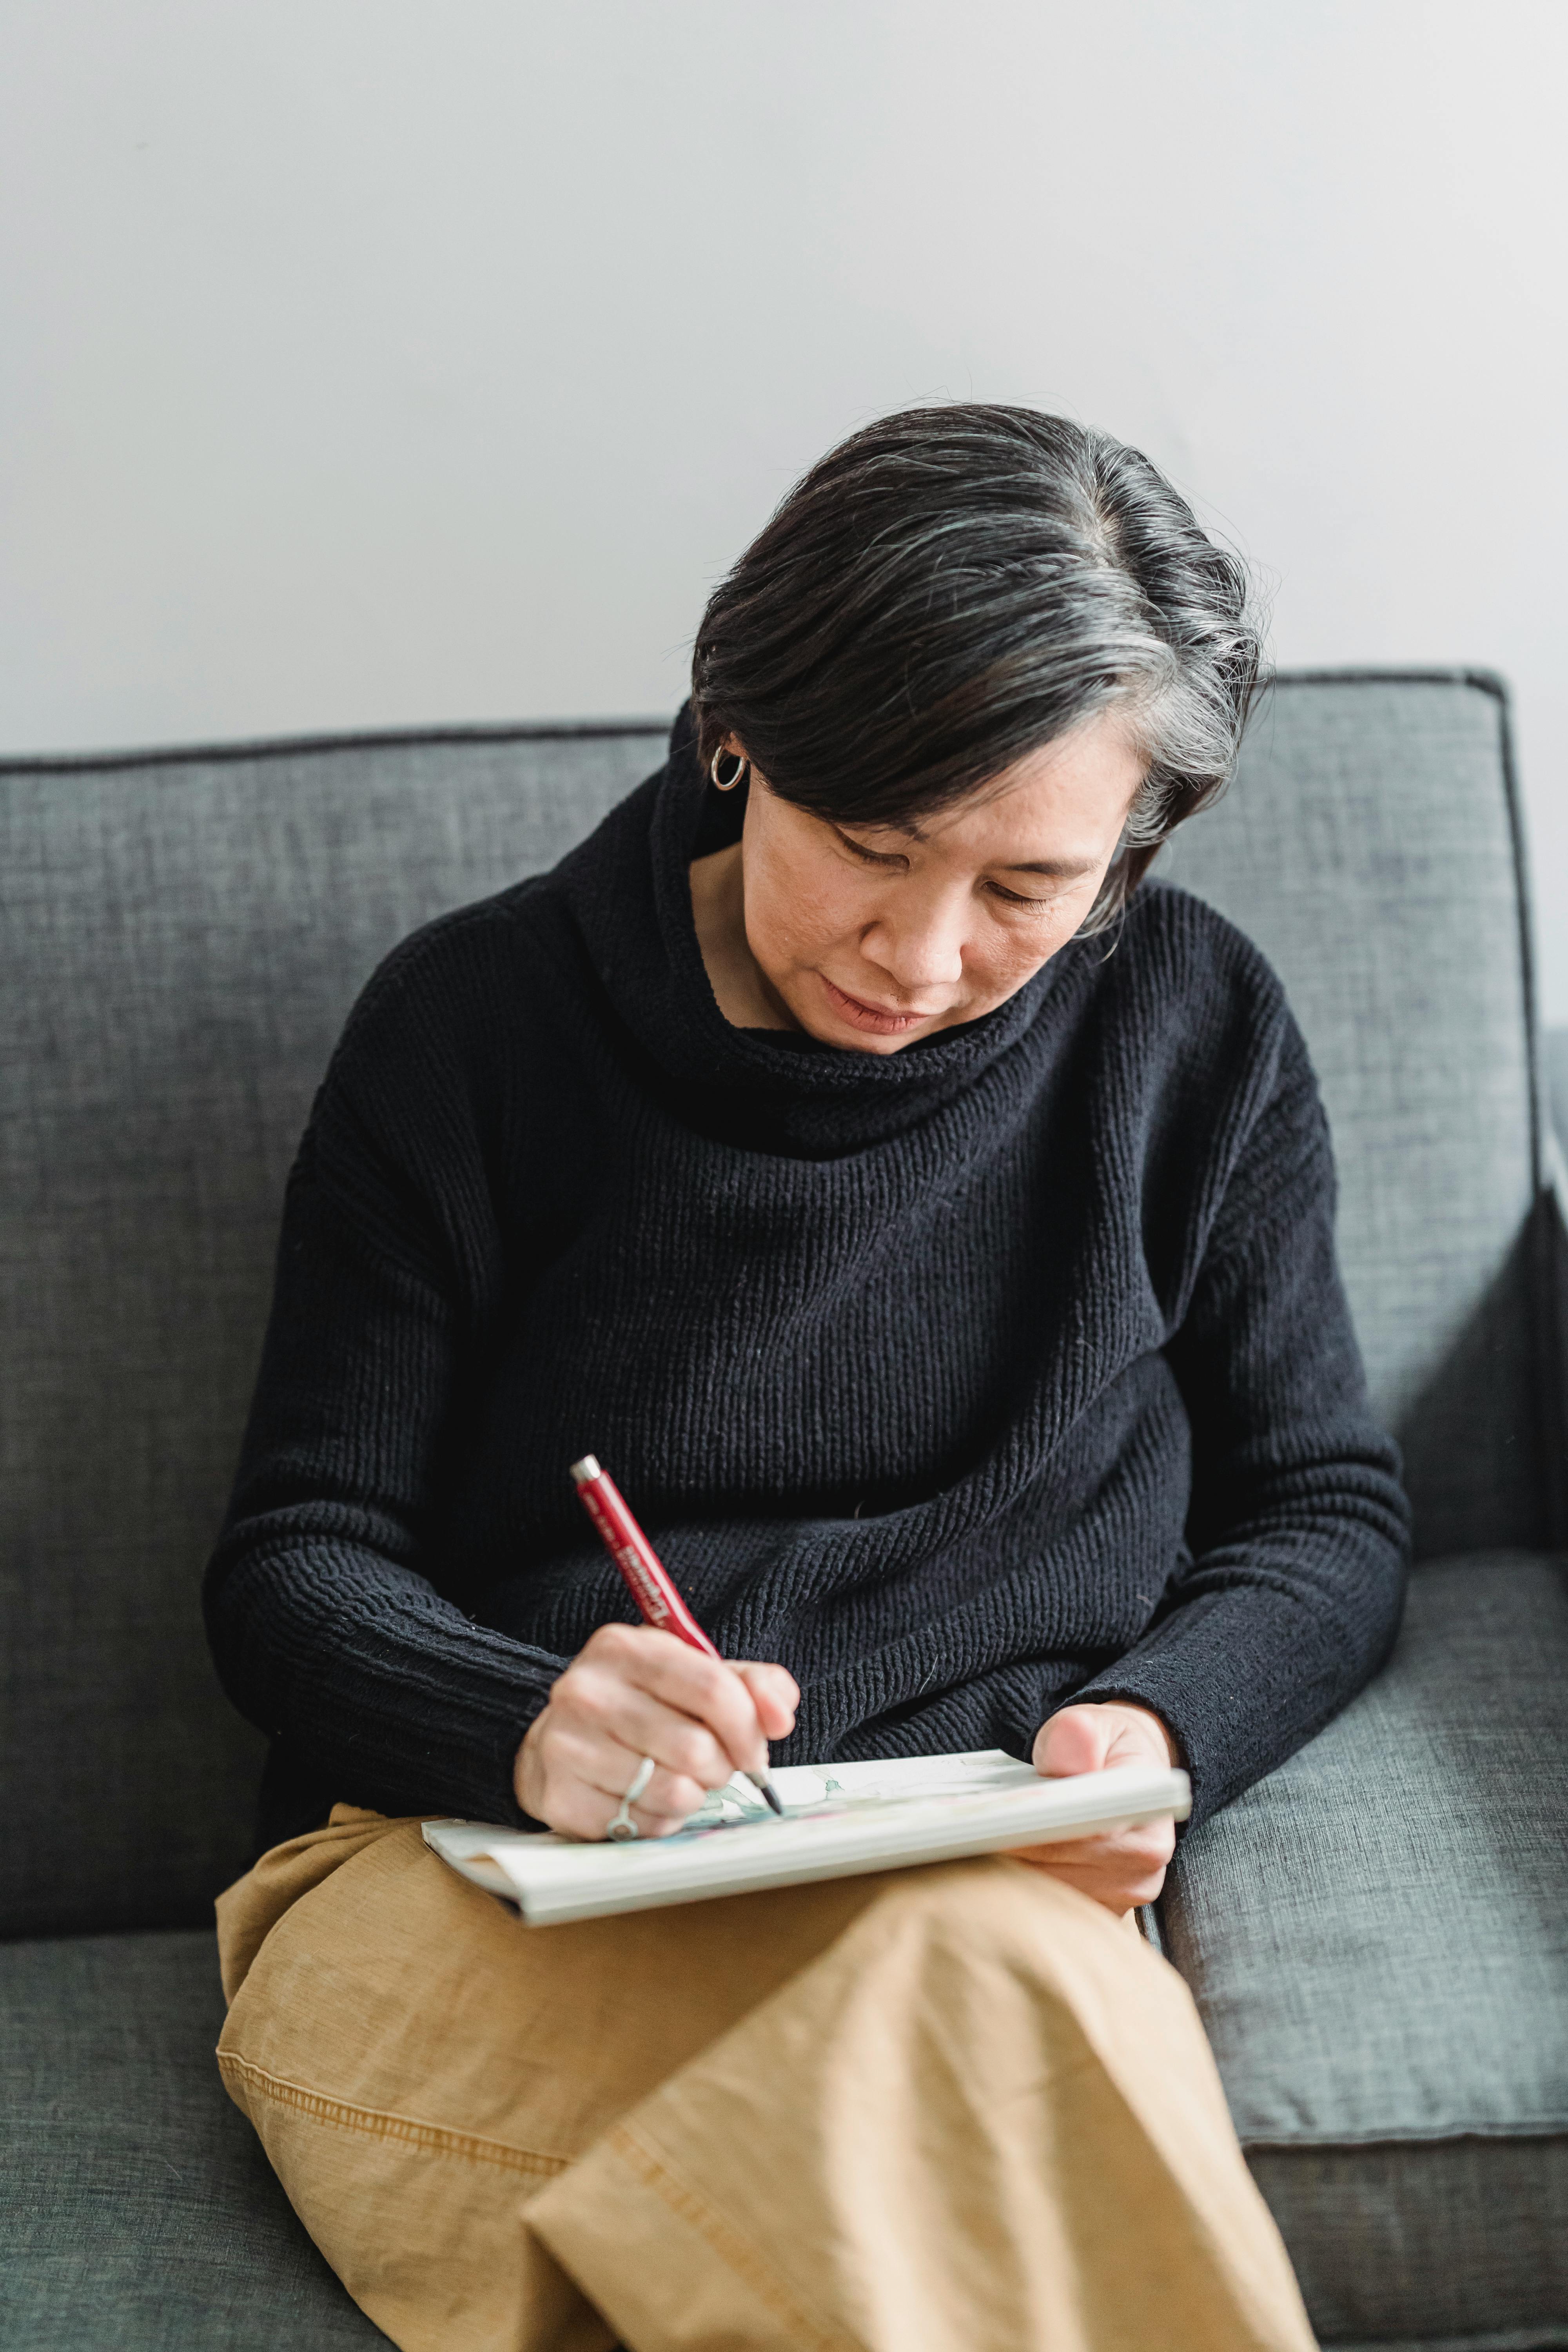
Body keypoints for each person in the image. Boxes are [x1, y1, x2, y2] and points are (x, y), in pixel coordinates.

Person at [205, 404, 1408, 2352]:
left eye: (1026, 888)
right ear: (734, 734)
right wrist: (523, 1717)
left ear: (1131, 852)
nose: (920, 957)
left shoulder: (1192, 1034)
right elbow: (295, 1558)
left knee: (979, 1999)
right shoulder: (473, 1032)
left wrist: (1158, 1729)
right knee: (981, 2102)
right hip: (477, 1877)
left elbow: (1323, 1506)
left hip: (975, 1887)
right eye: (870, 846)